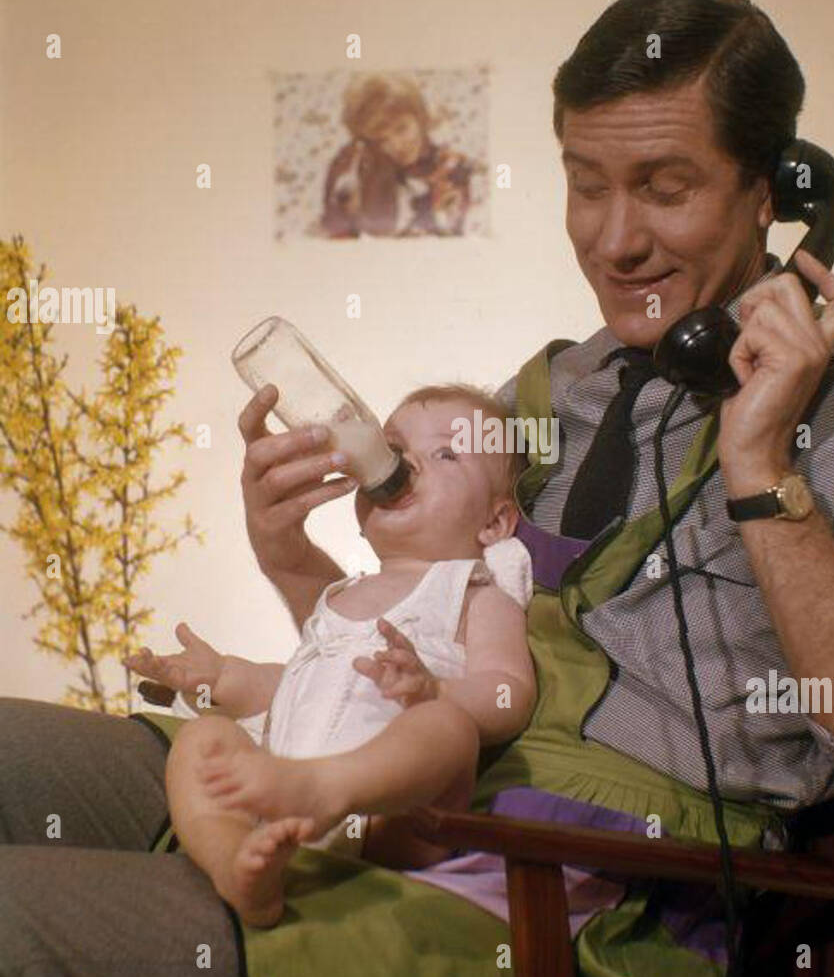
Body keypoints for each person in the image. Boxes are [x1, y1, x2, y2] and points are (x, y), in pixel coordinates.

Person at [0, 0, 834, 977]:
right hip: (374, 780)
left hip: (535, 904)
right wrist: (294, 563)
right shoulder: (547, 390)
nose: (617, 242)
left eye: (665, 190)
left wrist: (762, 474)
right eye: (586, 186)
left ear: (773, 192)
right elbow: (430, 643)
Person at [123, 386, 537, 929]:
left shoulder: (473, 591)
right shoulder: (339, 595)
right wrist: (221, 676)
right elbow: (299, 687)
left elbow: (510, 691)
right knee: (201, 741)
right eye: (393, 446)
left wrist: (437, 691)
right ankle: (236, 862)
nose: (406, 461)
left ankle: (326, 788)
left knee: (447, 728)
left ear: (494, 523)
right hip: (280, 800)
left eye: (446, 454)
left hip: (395, 822)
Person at [313, 73, 473, 238]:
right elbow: (336, 229)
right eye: (381, 140)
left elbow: (449, 232)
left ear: (420, 117)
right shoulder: (362, 169)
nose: (395, 145)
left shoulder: (450, 166)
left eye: (401, 128)